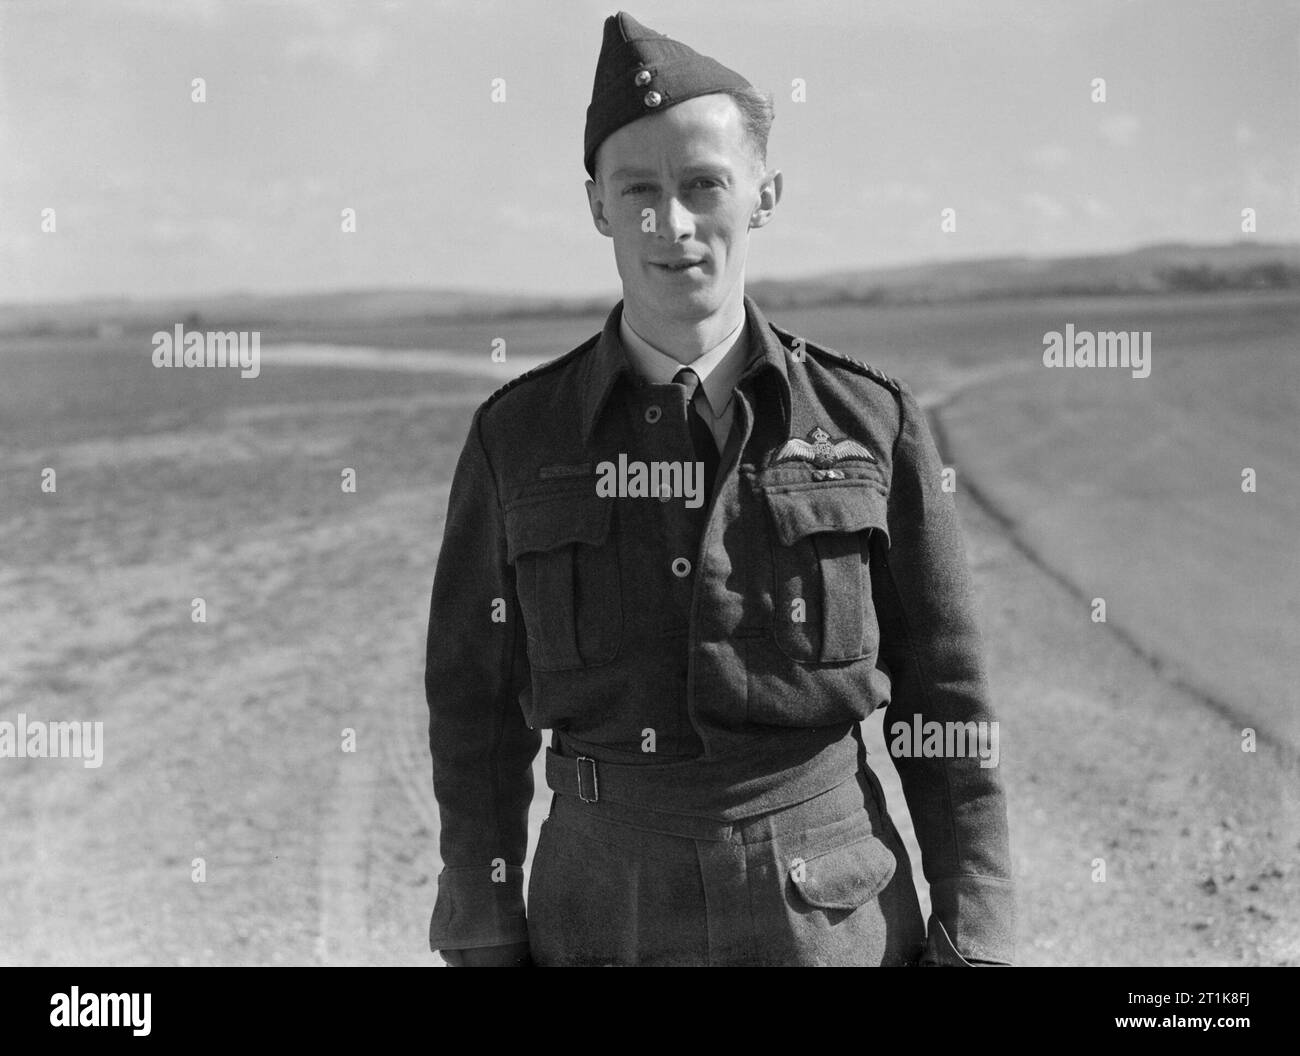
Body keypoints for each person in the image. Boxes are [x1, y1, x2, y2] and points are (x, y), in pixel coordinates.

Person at [424, 10, 1014, 966]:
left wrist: (976, 934)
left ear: (764, 194)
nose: (674, 223)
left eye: (705, 184)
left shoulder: (872, 425)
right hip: (600, 910)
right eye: (639, 189)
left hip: (828, 911)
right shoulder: (518, 438)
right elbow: (474, 715)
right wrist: (483, 929)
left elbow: (946, 701)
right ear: (596, 205)